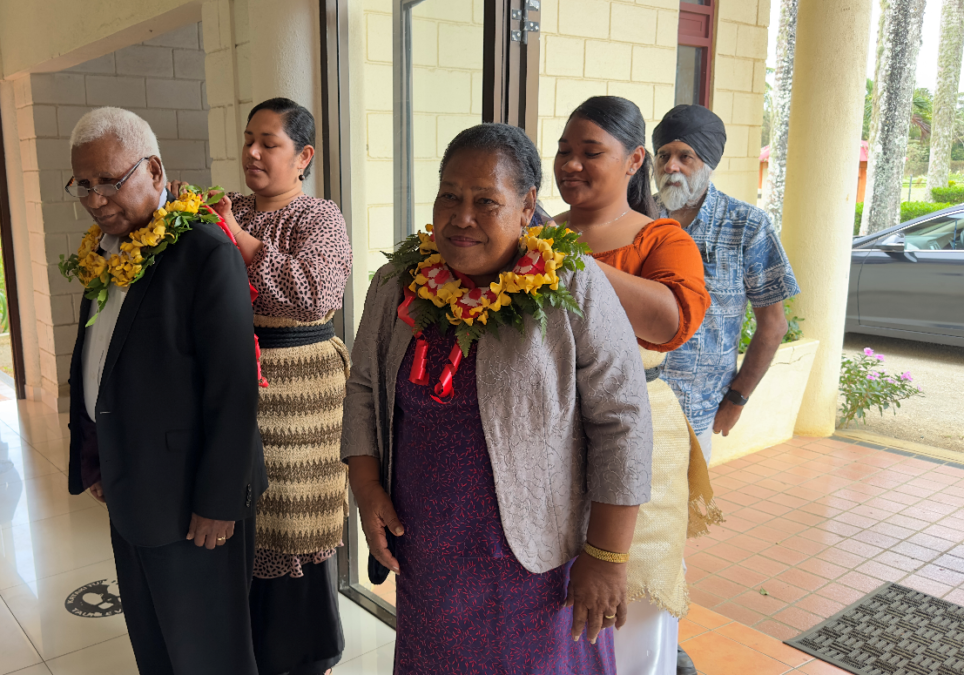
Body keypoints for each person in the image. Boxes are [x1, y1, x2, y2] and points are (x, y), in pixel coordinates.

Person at [343, 123, 655, 674]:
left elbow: (622, 418)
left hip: (534, 558)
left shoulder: (570, 284)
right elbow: (365, 387)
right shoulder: (399, 282)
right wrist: (367, 490)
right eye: (449, 196)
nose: (462, 217)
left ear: (526, 203)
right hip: (430, 549)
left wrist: (607, 556)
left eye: (486, 201)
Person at [63, 107, 267, 675]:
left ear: (154, 171)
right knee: (154, 643)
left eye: (110, 180)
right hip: (131, 483)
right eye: (84, 184)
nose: (97, 198)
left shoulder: (203, 252)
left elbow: (233, 387)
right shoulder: (105, 253)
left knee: (208, 652)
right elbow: (96, 361)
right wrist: (95, 458)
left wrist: (217, 502)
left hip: (192, 500)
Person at [172, 96, 352, 675]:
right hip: (233, 388)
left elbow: (314, 294)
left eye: (268, 143)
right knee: (236, 519)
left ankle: (303, 659)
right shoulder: (232, 209)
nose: (251, 151)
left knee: (291, 527)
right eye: (249, 138)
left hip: (302, 394)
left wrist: (234, 237)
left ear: (303, 157)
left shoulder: (319, 216)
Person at [553, 96, 719, 675]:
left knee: (628, 603)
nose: (570, 164)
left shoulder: (660, 239)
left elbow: (670, 321)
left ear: (633, 161)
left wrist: (568, 259)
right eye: (564, 151)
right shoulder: (538, 234)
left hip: (634, 428)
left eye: (590, 152)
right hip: (547, 430)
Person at [652, 105, 802, 463]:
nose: (671, 166)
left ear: (708, 162)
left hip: (697, 410)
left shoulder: (747, 226)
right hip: (628, 404)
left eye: (684, 156)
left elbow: (773, 325)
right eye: (664, 155)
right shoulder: (636, 217)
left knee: (683, 514)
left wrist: (738, 398)